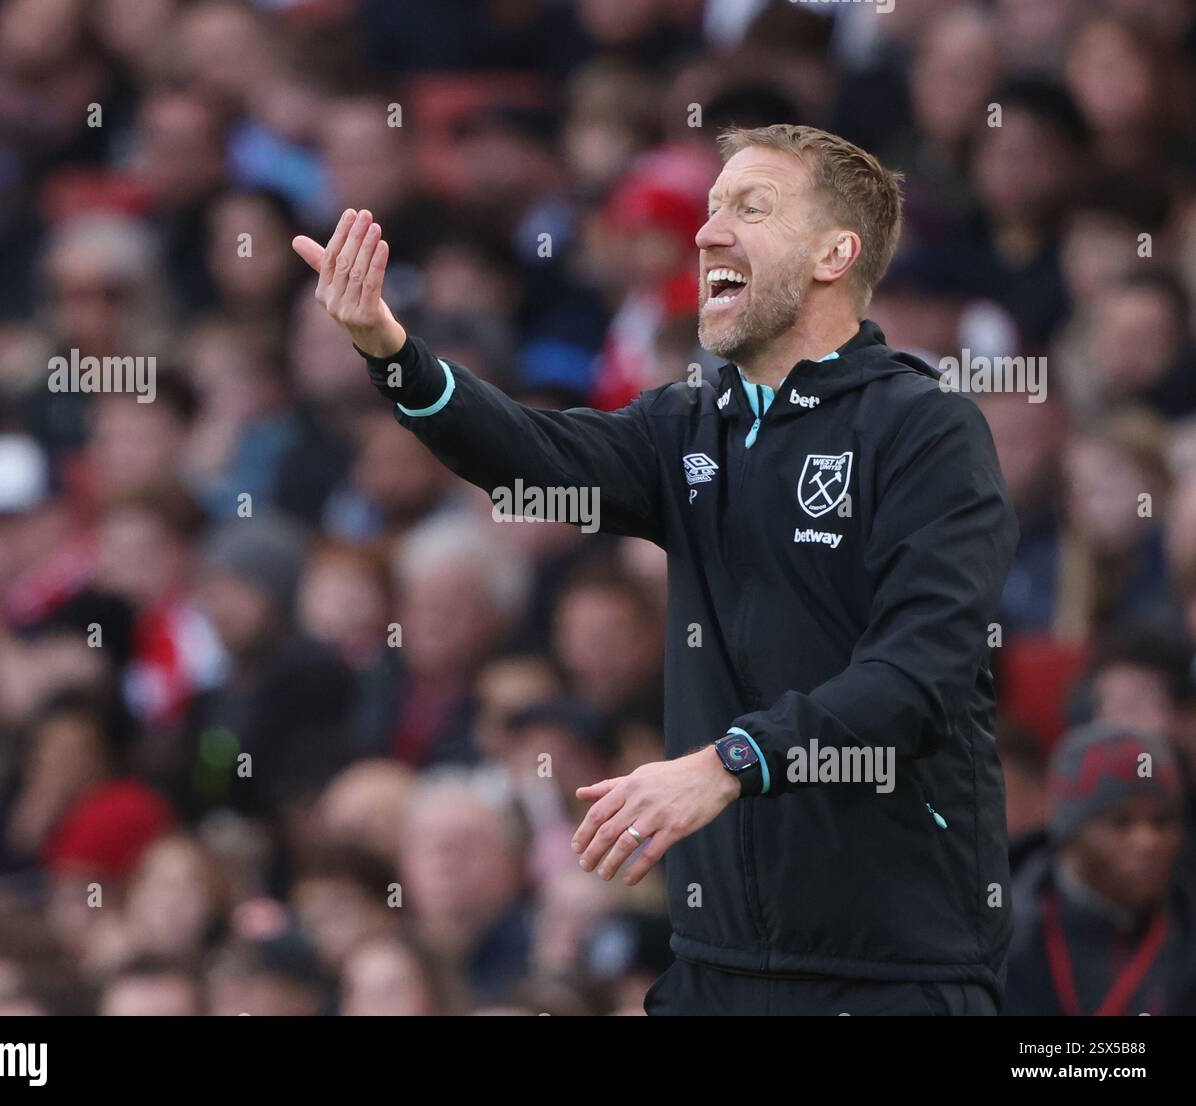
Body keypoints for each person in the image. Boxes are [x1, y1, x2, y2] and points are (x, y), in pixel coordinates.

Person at [292, 122, 1017, 1015]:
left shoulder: (925, 429)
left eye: (751, 208)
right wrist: (392, 354)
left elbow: (920, 674)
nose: (709, 232)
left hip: (888, 973)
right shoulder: (688, 422)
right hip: (714, 968)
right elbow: (531, 460)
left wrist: (730, 761)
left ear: (836, 252)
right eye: (712, 209)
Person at [1004, 723, 1196, 1016]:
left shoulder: (1185, 926)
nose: (1147, 842)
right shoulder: (1004, 941)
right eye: (1120, 823)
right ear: (1070, 836)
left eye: (1163, 821)